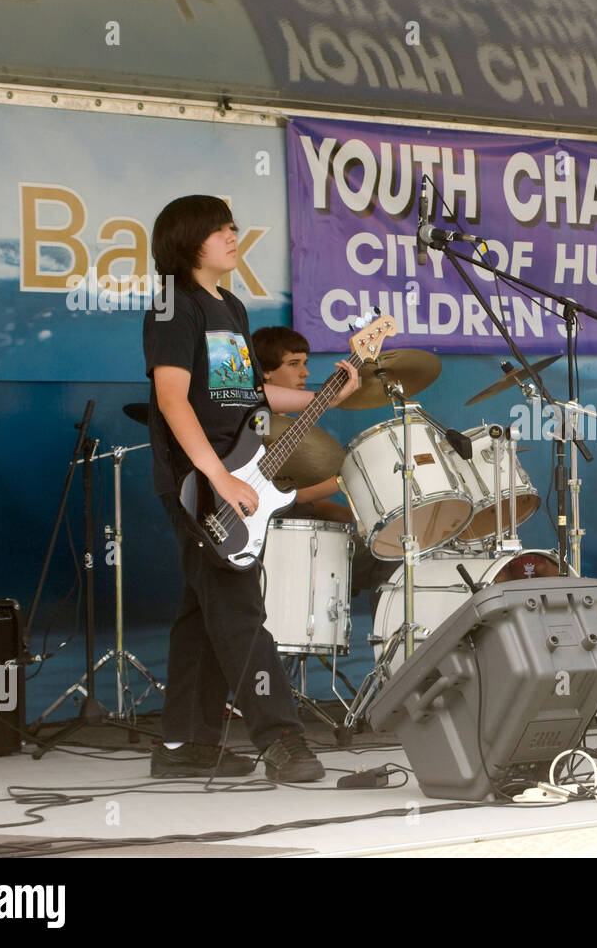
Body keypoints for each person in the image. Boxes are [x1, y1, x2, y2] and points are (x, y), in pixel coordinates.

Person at [142, 194, 360, 782]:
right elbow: (170, 398)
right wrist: (216, 475)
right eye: (221, 230)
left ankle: (182, 746)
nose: (234, 237)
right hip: (200, 483)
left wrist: (330, 393)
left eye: (235, 227)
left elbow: (251, 397)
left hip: (239, 475)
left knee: (203, 608)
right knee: (239, 607)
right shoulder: (173, 305)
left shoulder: (231, 308)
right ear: (190, 241)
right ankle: (281, 739)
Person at [253, 325, 381, 593]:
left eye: (305, 363)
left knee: (388, 545)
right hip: (279, 542)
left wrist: (362, 525)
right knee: (386, 556)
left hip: (308, 531)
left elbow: (311, 501)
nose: (305, 373)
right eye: (293, 364)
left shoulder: (288, 425)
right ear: (265, 373)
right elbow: (293, 496)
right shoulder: (258, 427)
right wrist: (356, 474)